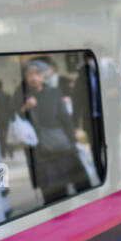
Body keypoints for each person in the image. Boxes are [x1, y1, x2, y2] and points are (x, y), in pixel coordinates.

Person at [20, 57, 81, 199]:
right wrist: (24, 109)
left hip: (61, 147)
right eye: (30, 74)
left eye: (37, 74)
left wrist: (73, 141)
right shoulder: (21, 96)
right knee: (52, 193)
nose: (34, 77)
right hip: (41, 153)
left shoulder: (54, 93)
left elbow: (65, 119)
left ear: (43, 76)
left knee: (78, 185)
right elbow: (15, 121)